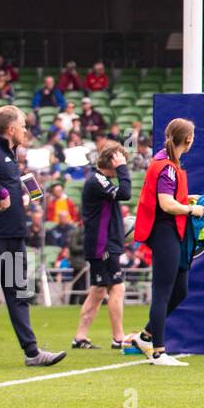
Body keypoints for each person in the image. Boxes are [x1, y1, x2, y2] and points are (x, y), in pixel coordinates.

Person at [0, 106, 66, 367]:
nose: (26, 130)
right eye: (23, 125)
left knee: (19, 292)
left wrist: (20, 191)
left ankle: (32, 352)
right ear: (10, 129)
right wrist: (0, 191)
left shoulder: (8, 154)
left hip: (11, 234)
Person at [127, 118, 204, 366]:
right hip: (165, 230)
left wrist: (187, 198)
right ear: (188, 139)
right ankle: (158, 352)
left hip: (173, 230)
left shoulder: (167, 162)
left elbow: (169, 197)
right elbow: (166, 204)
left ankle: (146, 336)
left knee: (180, 290)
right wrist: (190, 210)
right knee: (162, 292)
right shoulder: (168, 166)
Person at [70, 144, 132, 350]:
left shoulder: (101, 180)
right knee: (118, 286)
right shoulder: (97, 180)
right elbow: (125, 193)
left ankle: (80, 337)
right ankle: (118, 337)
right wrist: (122, 169)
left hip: (104, 242)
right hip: (102, 243)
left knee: (98, 290)